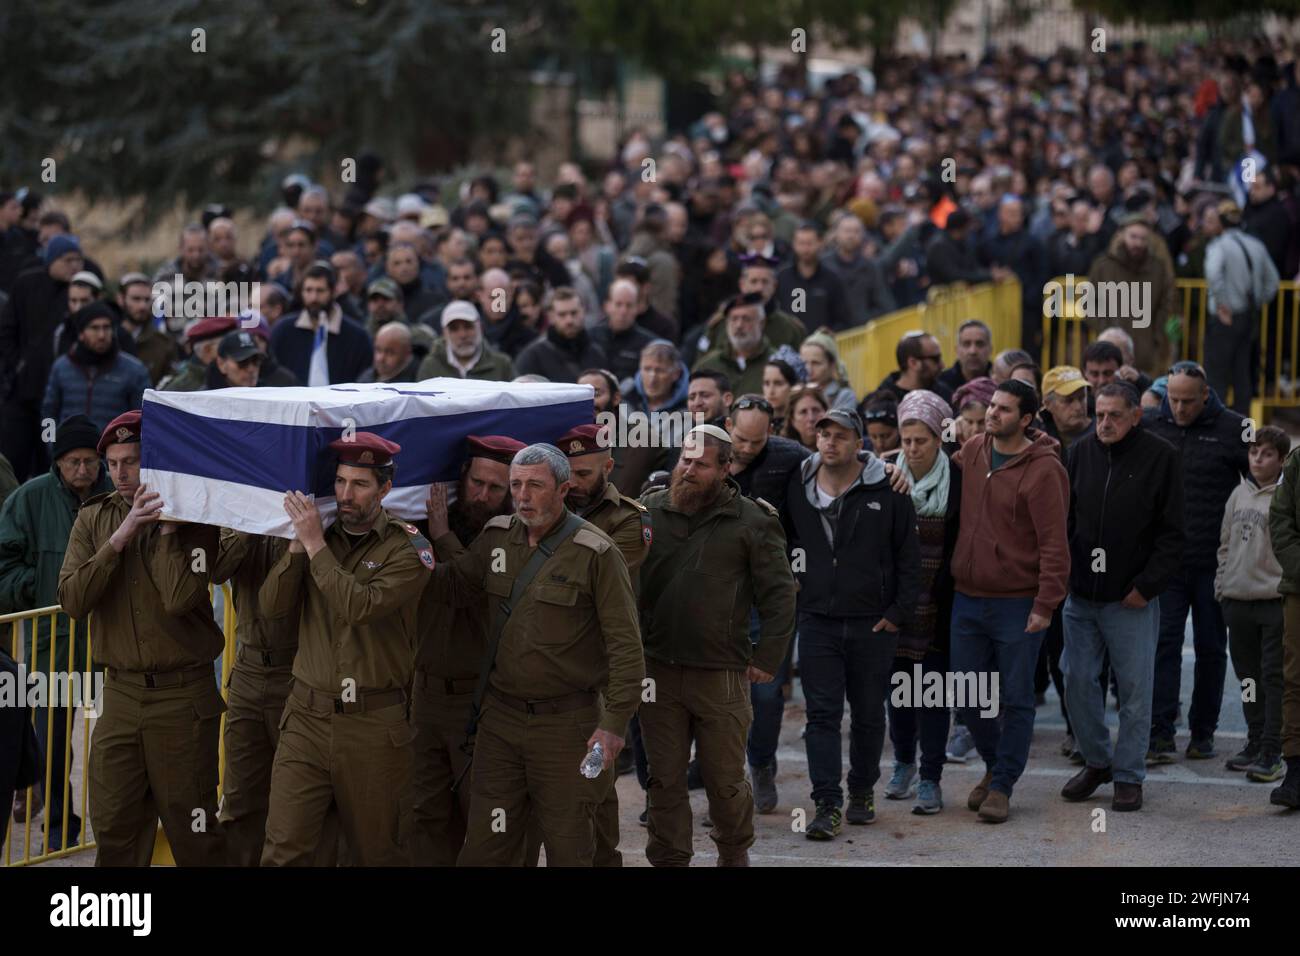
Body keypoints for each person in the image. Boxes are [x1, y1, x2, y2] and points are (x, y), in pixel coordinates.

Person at [427, 443, 644, 867]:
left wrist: (614, 725)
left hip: (569, 730)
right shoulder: (495, 537)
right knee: (488, 846)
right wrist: (407, 541)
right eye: (517, 485)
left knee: (570, 846)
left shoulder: (595, 552)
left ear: (563, 490)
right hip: (500, 725)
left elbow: (626, 648)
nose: (523, 496)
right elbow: (453, 587)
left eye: (535, 486)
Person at [56, 410, 227, 865]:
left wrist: (167, 530)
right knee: (115, 829)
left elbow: (178, 597)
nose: (120, 473)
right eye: (112, 463)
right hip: (120, 695)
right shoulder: (94, 519)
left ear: (153, 461)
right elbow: (72, 600)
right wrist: (119, 538)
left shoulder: (195, 521)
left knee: (193, 831)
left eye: (130, 461)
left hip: (183, 697)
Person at [259, 433, 431, 866]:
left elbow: (360, 606)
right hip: (305, 717)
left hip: (372, 725)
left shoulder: (410, 548)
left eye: (359, 484)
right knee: (284, 849)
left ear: (385, 488)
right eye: (339, 482)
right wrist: (298, 546)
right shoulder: (316, 535)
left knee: (377, 853)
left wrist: (315, 545)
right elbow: (272, 611)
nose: (345, 495)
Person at [639, 425, 796, 865]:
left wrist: (768, 657)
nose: (688, 470)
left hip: (721, 673)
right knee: (664, 780)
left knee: (724, 780)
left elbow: (780, 594)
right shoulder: (648, 512)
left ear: (725, 469)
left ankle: (733, 852)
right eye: (684, 461)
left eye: (701, 464)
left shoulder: (754, 521)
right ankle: (669, 857)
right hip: (658, 673)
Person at [781, 407, 919, 837]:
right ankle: (827, 803)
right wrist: (793, 581)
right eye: (824, 434)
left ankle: (862, 790)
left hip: (871, 622)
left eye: (841, 435)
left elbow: (908, 557)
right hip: (817, 618)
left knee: (867, 714)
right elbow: (783, 539)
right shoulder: (798, 482)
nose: (830, 442)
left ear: (859, 442)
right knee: (821, 716)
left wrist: (896, 613)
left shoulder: (889, 488)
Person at [1060, 383, 1184, 813]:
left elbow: (1173, 533)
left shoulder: (1161, 457)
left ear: (1136, 416)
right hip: (1080, 596)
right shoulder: (1078, 453)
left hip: (1131, 599)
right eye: (1099, 415)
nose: (1105, 423)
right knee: (1075, 680)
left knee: (1134, 692)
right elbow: (1064, 518)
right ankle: (1097, 761)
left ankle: (1129, 775)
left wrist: (1146, 587)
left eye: (1114, 415)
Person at [949, 380, 1069, 823]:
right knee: (966, 692)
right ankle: (995, 767)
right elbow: (939, 465)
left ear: (1026, 419)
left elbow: (1056, 544)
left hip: (1018, 602)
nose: (992, 414)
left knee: (1017, 698)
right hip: (967, 597)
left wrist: (1046, 604)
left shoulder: (1045, 471)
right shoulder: (976, 448)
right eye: (991, 406)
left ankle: (1001, 784)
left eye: (1002, 409)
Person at [408, 434, 523, 866]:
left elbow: (470, 591)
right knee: (425, 813)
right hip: (423, 695)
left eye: (496, 489)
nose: (482, 496)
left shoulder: (513, 538)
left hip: (478, 701)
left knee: (481, 815)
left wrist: (440, 535)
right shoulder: (423, 525)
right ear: (461, 477)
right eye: (477, 483)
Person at [0, 415, 110, 849]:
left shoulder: (117, 496)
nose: (83, 470)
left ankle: (114, 827)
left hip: (110, 636)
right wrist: (40, 588)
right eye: (73, 461)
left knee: (114, 741)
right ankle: (60, 829)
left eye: (90, 461)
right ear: (57, 463)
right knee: (52, 744)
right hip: (53, 639)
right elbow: (4, 565)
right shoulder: (29, 499)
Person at [1144, 361, 1248, 762]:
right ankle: (1160, 732)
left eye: (1188, 401)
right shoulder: (1153, 423)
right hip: (1166, 563)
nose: (1180, 409)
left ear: (1206, 396)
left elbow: (1263, 482)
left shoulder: (1233, 427)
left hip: (1214, 562)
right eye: (1173, 400)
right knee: (1163, 645)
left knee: (1210, 647)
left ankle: (1203, 732)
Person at [210, 528, 327, 866]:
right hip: (247, 667)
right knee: (240, 798)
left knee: (299, 803)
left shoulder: (312, 518)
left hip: (299, 669)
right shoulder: (245, 511)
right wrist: (249, 524)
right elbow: (216, 570)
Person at [725, 395, 810, 813]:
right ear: (727, 425)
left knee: (766, 691)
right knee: (718, 692)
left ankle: (760, 765)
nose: (746, 448)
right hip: (717, 594)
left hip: (770, 593)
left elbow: (836, 468)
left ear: (771, 434)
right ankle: (725, 781)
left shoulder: (790, 458)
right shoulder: (705, 452)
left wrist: (881, 466)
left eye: (757, 443)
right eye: (741, 438)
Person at [886, 390, 962, 814]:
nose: (912, 449)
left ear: (938, 439)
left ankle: (930, 777)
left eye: (922, 440)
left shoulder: (960, 479)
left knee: (932, 695)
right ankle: (902, 765)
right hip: (896, 608)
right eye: (906, 440)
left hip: (941, 608)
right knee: (898, 694)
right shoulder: (884, 476)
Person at [1216, 425, 1288, 783]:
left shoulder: (1287, 496)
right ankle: (1255, 738)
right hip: (1237, 600)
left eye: (1267, 454)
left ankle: (1273, 750)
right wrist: (1221, 586)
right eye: (1253, 452)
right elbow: (1225, 545)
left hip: (1273, 601)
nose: (1258, 459)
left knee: (1274, 678)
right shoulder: (1237, 495)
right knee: (1248, 678)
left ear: (1281, 459)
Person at [0, 233, 85, 481]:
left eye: (78, 260)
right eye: (68, 260)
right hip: (23, 395)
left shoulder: (78, 292)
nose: (75, 266)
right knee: (15, 458)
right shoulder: (26, 285)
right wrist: (17, 366)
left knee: (50, 456)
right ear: (52, 260)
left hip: (55, 401)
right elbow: (7, 330)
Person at [1202, 200, 1280, 414]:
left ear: (1221, 222)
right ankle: (1242, 429)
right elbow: (1272, 282)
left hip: (1225, 318)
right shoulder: (1256, 245)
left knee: (1217, 375)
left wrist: (1221, 305)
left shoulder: (1219, 246)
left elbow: (1214, 274)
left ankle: (1215, 425)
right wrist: (1256, 302)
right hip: (1248, 316)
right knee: (1242, 375)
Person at [41, 302, 151, 430]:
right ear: (81, 333)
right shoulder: (61, 368)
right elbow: (48, 414)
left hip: (113, 448)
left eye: (107, 327)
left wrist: (126, 447)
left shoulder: (134, 371)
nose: (101, 335)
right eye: (94, 328)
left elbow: (144, 419)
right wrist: (52, 446)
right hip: (69, 448)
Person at [270, 263, 372, 386]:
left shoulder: (357, 336)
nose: (314, 298)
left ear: (333, 292)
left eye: (320, 291)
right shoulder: (283, 330)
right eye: (308, 290)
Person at [1266, 433, 1300, 808]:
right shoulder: (1297, 463)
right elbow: (1280, 520)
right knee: (1295, 678)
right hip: (1299, 587)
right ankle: (1295, 769)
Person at [515, 287, 608, 383]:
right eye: (562, 314)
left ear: (583, 311)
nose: (569, 320)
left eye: (574, 313)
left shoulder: (597, 353)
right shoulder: (532, 357)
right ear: (551, 316)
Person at [693, 292, 775, 399]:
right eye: (734, 319)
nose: (739, 325)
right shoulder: (708, 366)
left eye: (746, 319)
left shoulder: (776, 362)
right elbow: (695, 410)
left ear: (761, 323)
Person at [775, 223, 852, 332]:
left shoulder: (832, 279)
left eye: (810, 243)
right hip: (790, 344)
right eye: (801, 243)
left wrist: (830, 333)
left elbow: (843, 318)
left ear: (820, 243)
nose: (806, 249)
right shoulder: (782, 277)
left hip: (822, 345)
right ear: (794, 244)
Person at [417, 300, 514, 382]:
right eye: (454, 329)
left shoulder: (502, 364)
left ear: (480, 327)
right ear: (444, 334)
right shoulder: (430, 366)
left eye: (468, 327)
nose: (462, 335)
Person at [589, 279, 656, 385]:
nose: (623, 311)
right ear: (607, 306)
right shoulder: (590, 337)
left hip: (626, 400)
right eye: (618, 304)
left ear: (637, 308)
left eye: (629, 305)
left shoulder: (649, 345)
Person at [116, 272, 177, 385]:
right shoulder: (107, 337)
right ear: (121, 299)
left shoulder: (163, 344)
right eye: (136, 299)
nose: (142, 306)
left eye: (147, 300)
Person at [800, 330, 857, 412]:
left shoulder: (844, 396)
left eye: (816, 363)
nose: (808, 370)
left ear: (832, 364)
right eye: (804, 363)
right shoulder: (795, 393)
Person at [1040, 365, 1092, 453]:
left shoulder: (1101, 435)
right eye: (1068, 401)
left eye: (1082, 398)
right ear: (1048, 404)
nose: (1078, 407)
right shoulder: (1037, 436)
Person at [936, 320, 993, 394]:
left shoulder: (1001, 381)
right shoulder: (940, 383)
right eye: (966, 344)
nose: (973, 351)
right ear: (957, 350)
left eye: (980, 344)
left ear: (990, 349)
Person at [763, 345, 807, 434]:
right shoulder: (759, 423)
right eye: (767, 383)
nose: (771, 391)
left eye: (778, 383)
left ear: (795, 386)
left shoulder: (805, 424)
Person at [782, 383, 830, 451]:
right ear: (792, 420)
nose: (811, 418)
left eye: (816, 410)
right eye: (803, 412)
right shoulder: (783, 453)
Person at [952, 376, 995, 446]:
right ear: (960, 418)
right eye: (969, 422)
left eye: (982, 422)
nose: (975, 429)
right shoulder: (950, 442)